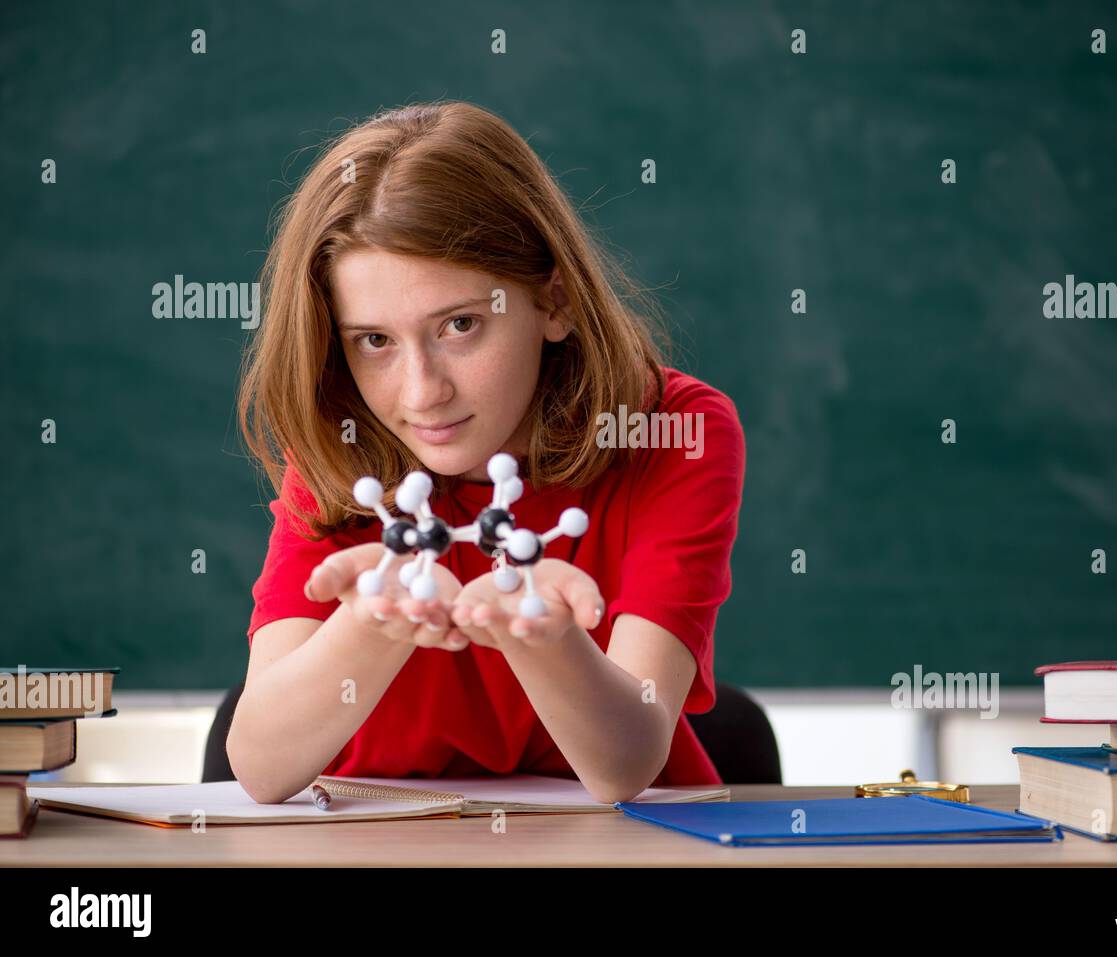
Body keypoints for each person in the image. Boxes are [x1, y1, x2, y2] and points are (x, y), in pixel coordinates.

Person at [229, 101, 745, 805]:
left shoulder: (672, 429)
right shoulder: (337, 437)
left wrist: (543, 638)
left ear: (554, 301)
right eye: (374, 341)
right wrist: (376, 618)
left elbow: (626, 765)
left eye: (461, 325)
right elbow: (259, 764)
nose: (423, 391)